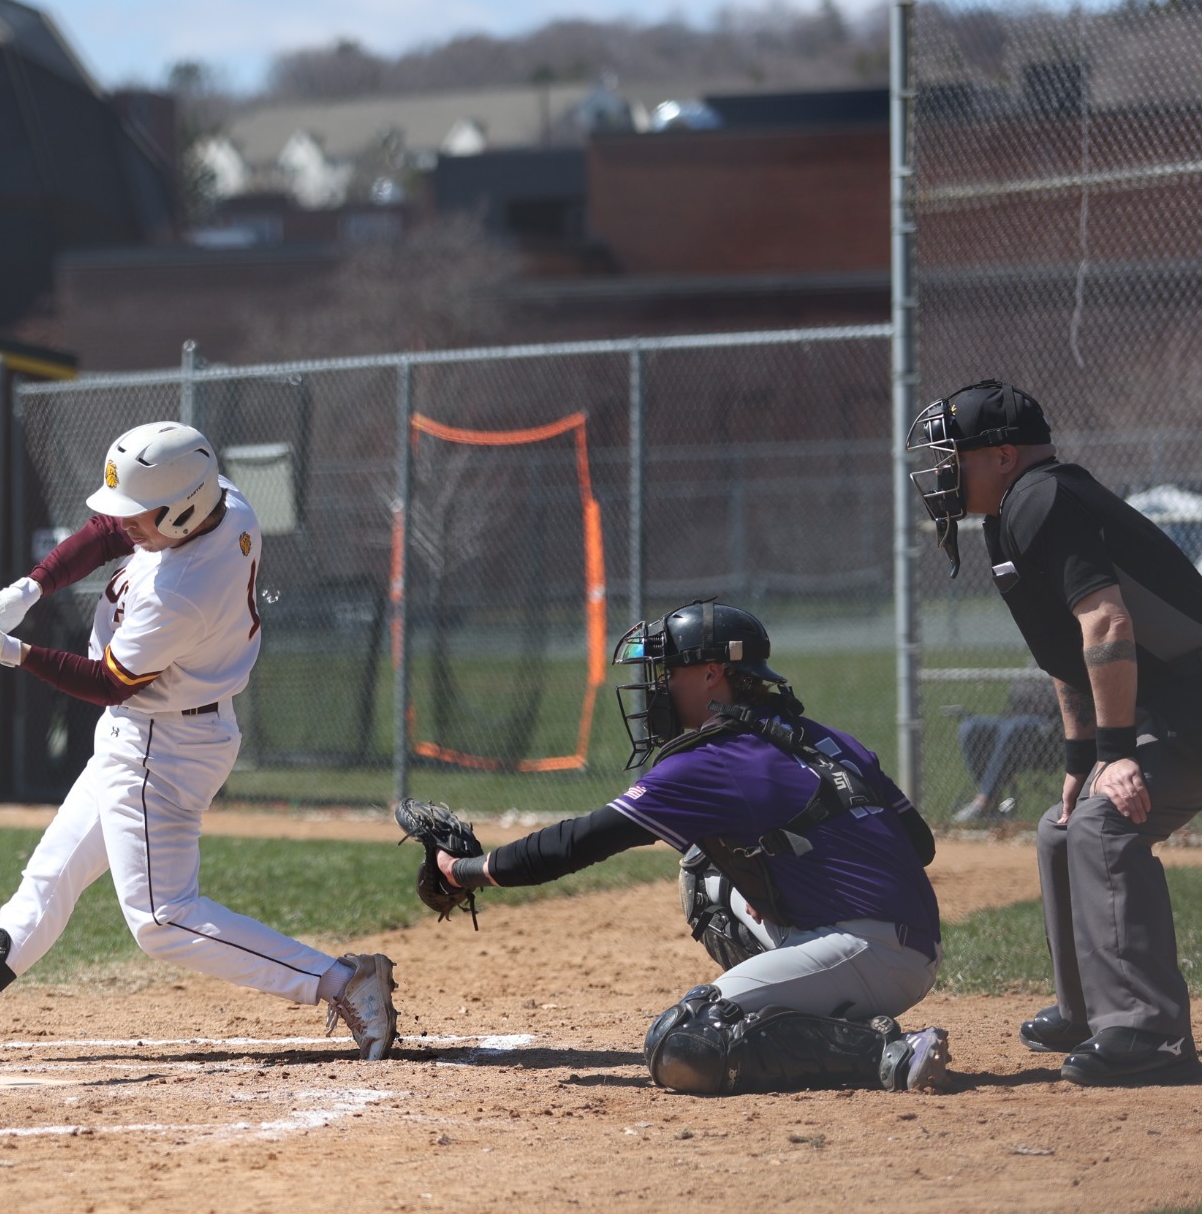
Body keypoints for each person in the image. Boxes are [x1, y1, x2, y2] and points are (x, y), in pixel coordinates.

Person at [0, 421, 398, 1067]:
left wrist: (13, 652)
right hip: (153, 729)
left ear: (183, 508)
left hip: (162, 745)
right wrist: (31, 588)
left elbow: (109, 681)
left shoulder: (182, 592)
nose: (125, 526)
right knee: (48, 880)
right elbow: (110, 529)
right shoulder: (218, 497)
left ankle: (342, 980)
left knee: (162, 919)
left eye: (141, 516)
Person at [417, 600, 950, 1096]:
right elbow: (919, 845)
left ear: (713, 674)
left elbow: (582, 841)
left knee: (683, 1043)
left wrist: (463, 869)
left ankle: (885, 1053)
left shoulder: (713, 760)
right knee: (708, 875)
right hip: (904, 939)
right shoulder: (823, 736)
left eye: (670, 672)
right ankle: (814, 1007)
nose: (660, 688)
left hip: (870, 952)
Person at [908, 379, 1202, 1085]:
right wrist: (1079, 762)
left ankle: (1150, 1032)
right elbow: (1067, 657)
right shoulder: (1006, 518)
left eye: (955, 457)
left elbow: (1108, 623)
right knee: (1064, 824)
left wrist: (1119, 755)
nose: (942, 472)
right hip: (1168, 711)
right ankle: (1091, 1007)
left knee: (1106, 823)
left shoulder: (1044, 497)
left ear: (1003, 455)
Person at [950, 674, 1063, 824]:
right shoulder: (1034, 667)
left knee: (1014, 727)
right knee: (970, 727)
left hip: (1048, 739)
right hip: (1014, 728)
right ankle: (992, 798)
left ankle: (983, 801)